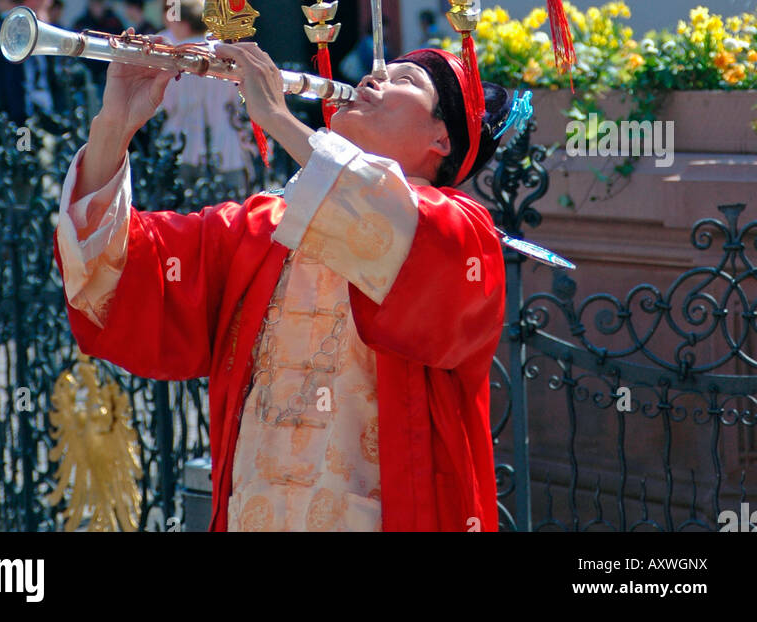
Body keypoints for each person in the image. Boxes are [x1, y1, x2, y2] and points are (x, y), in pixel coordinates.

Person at [54, 41, 509, 532]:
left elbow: (393, 221)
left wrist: (275, 115)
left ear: (441, 138)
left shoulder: (463, 231)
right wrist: (114, 127)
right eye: (377, 72)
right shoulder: (260, 226)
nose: (372, 80)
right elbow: (118, 268)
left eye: (405, 81)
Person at [152, 0, 258, 190]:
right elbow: (239, 100)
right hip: (225, 147)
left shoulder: (173, 57)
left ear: (183, 23)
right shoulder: (226, 53)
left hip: (182, 145)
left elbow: (164, 103)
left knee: (183, 214)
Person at [0, 0, 56, 125]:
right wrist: (26, 135)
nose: (50, 1)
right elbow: (20, 84)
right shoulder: (18, 31)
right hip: (25, 125)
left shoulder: (4, 26)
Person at [72, 0, 126, 92]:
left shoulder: (114, 21)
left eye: (100, 3)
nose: (97, 7)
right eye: (94, 3)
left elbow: (123, 41)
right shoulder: (82, 22)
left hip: (109, 69)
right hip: (88, 69)